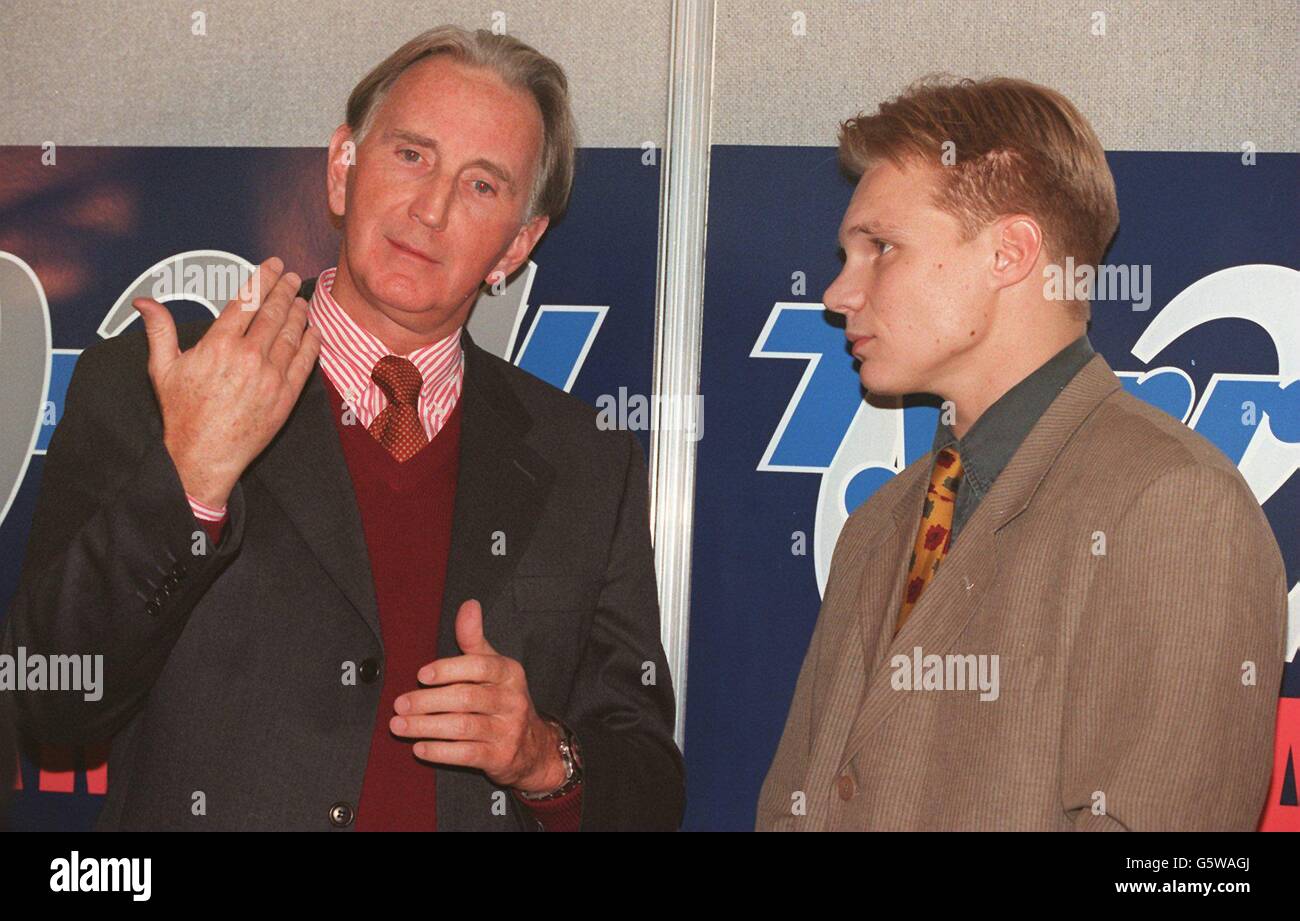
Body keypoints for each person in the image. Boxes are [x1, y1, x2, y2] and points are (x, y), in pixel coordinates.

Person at [3, 25, 683, 831]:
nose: (429, 208)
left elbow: (649, 784)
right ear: (341, 170)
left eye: (481, 186)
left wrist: (540, 755)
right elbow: (46, 703)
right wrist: (187, 481)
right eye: (410, 155)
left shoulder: (587, 463)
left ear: (518, 245)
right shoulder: (158, 386)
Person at [756, 76, 1286, 831]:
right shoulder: (876, 526)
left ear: (1010, 251)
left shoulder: (1175, 505)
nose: (838, 292)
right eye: (848, 254)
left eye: (880, 248)